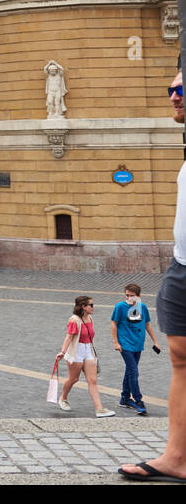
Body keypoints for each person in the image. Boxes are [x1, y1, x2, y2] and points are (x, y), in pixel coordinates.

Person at [122, 67, 186, 480]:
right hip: (182, 266)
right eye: (171, 89)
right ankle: (177, 458)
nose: (174, 96)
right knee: (180, 359)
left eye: (182, 88)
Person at [56, 295, 114, 417]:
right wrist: (63, 352)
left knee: (92, 380)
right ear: (83, 306)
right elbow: (69, 337)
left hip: (88, 350)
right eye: (91, 305)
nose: (93, 307)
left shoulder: (90, 318)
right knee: (73, 379)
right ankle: (63, 398)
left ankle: (99, 409)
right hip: (76, 351)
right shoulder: (74, 320)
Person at [112, 284, 161, 416]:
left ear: (138, 296)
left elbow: (147, 324)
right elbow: (114, 324)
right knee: (134, 371)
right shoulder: (120, 307)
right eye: (127, 295)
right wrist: (116, 342)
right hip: (125, 344)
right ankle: (139, 401)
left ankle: (125, 398)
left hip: (138, 344)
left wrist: (155, 341)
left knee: (130, 370)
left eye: (132, 295)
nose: (129, 298)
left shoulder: (142, 307)